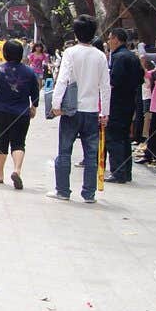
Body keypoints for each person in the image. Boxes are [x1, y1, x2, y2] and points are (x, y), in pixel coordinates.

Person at [49, 15, 110, 202]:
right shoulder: (100, 56)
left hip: (71, 109)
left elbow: (62, 79)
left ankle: (63, 190)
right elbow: (105, 86)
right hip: (92, 110)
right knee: (91, 154)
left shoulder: (70, 53)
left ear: (76, 33)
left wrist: (55, 105)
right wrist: (105, 112)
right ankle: (89, 193)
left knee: (65, 150)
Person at [0, 39, 40, 189]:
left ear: (5, 53)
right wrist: (34, 107)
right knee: (19, 142)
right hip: (21, 112)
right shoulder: (29, 72)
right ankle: (17, 170)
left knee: (1, 140)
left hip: (0, 111)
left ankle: (0, 174)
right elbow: (35, 92)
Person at [104, 28, 142, 184]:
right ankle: (126, 172)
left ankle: (118, 172)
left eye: (110, 38)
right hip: (130, 100)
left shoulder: (119, 57)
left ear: (116, 39)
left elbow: (114, 81)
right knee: (125, 137)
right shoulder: (132, 56)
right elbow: (140, 77)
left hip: (118, 101)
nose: (108, 42)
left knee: (114, 137)